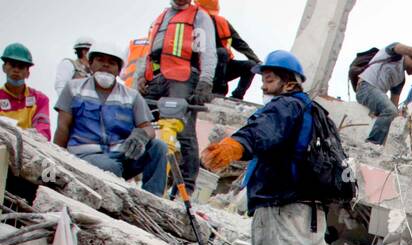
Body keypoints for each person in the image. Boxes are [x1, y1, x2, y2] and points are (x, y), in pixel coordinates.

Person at [200, 51, 334, 245]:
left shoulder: (285, 106)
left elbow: (263, 130)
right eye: (263, 80)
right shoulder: (316, 112)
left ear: (290, 81)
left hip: (281, 208)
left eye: (270, 80)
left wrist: (235, 145)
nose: (264, 85)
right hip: (313, 215)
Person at [54, 43, 168, 196]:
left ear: (119, 69)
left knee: (158, 147)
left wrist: (140, 136)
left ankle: (154, 198)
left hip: (122, 155)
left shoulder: (131, 96)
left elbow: (147, 127)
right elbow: (63, 127)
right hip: (85, 156)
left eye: (112, 63)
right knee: (110, 168)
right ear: (90, 63)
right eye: (100, 60)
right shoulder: (73, 89)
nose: (106, 65)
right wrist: (57, 158)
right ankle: (118, 191)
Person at [135, 0, 217, 192]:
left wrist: (205, 81)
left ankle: (186, 187)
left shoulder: (199, 16)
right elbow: (147, 50)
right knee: (139, 122)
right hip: (156, 78)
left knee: (184, 130)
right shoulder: (161, 17)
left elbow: (208, 51)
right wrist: (141, 75)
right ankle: (133, 172)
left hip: (183, 78)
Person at [355, 42, 412, 145]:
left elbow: (394, 105)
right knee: (390, 110)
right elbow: (410, 50)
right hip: (365, 87)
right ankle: (372, 144)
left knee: (391, 110)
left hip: (375, 94)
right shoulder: (393, 54)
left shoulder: (401, 79)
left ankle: (377, 143)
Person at [198, 0, 260, 101]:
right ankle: (218, 92)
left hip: (223, 67)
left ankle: (237, 97)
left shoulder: (222, 23)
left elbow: (240, 43)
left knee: (250, 65)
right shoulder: (193, 23)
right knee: (221, 52)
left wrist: (257, 61)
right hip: (201, 68)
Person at [1, 44, 51, 140]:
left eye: (21, 67)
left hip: (31, 150)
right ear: (4, 68)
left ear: (28, 73)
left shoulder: (40, 99)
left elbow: (43, 132)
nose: (16, 70)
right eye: (12, 64)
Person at [53, 37, 93, 103]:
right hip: (74, 108)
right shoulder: (69, 64)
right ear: (84, 51)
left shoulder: (93, 72)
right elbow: (60, 86)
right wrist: (70, 106)